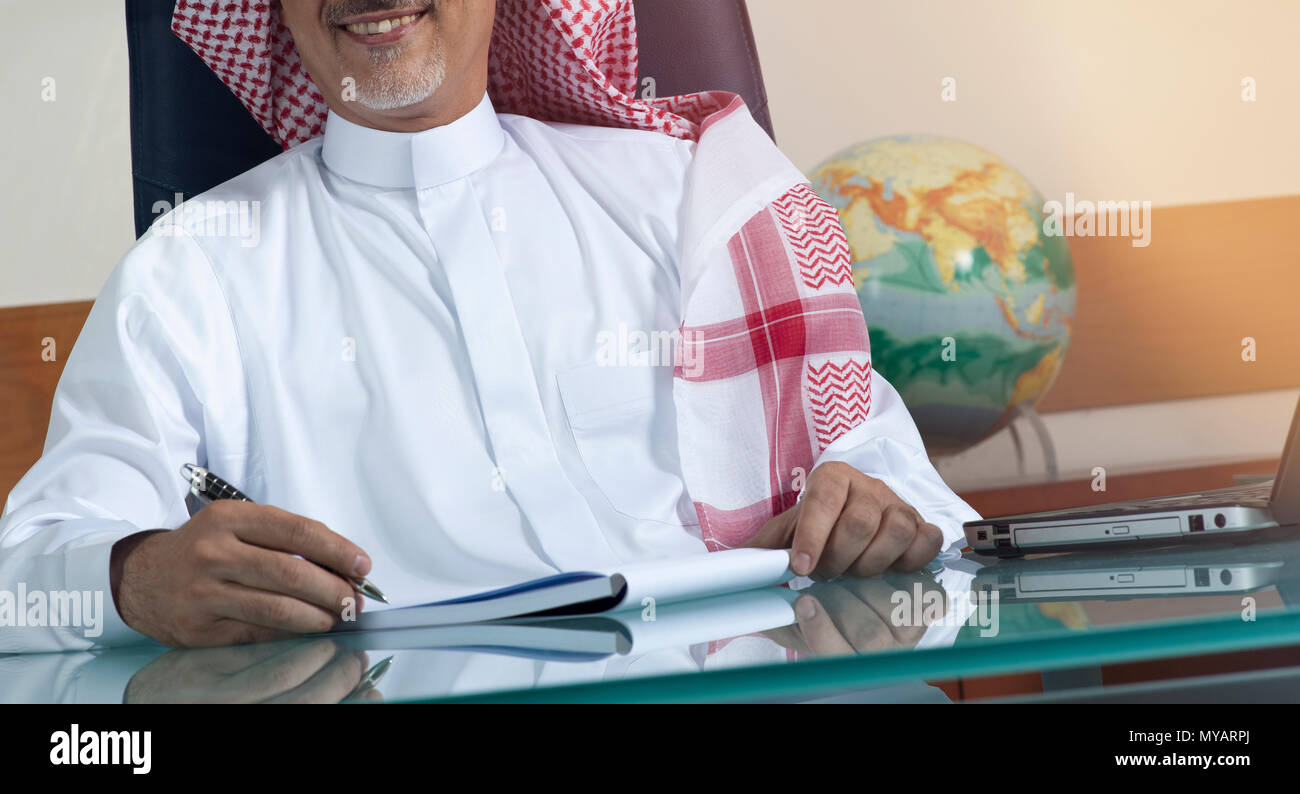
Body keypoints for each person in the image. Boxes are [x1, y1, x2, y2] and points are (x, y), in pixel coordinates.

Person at [0, 0, 979, 651]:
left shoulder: (690, 198)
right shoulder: (195, 269)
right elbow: (28, 576)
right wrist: (138, 576)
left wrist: (878, 512)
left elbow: (910, 494)